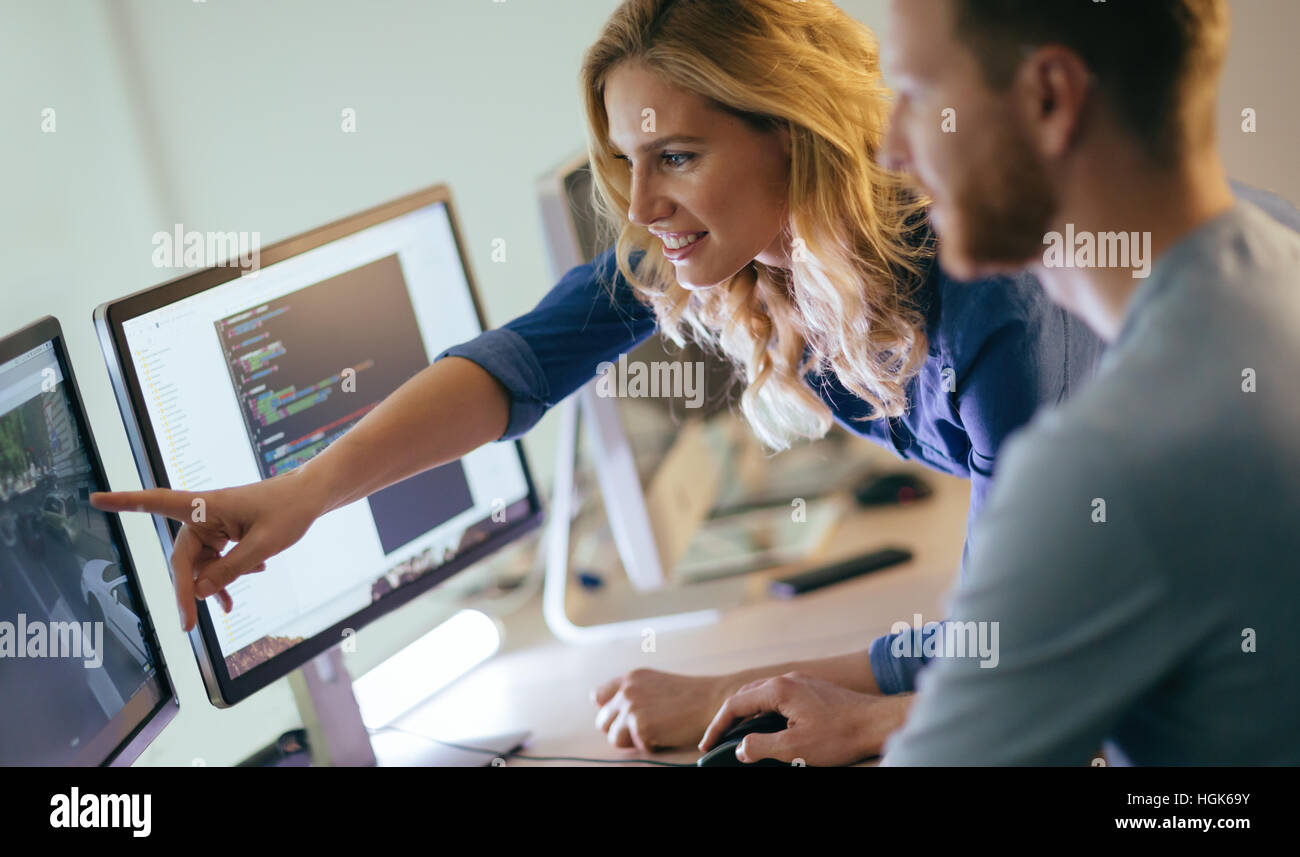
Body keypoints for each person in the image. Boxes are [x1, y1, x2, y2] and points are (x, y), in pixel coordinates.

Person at [89, 0, 1292, 758]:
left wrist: (753, 690)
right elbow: (522, 362)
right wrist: (307, 488)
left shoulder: (997, 297)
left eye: (676, 155)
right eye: (625, 160)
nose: (644, 204)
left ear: (791, 130)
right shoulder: (744, 254)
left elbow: (998, 642)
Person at [699, 0, 1300, 766]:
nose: (890, 149)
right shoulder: (1278, 260)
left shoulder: (1108, 465)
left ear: (1049, 98)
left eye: (919, 95)